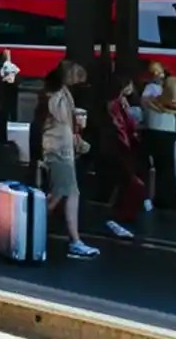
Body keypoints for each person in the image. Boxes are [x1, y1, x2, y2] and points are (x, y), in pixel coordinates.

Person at [41, 63, 100, 258]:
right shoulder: (57, 95)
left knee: (60, 193)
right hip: (58, 150)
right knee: (67, 192)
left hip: (59, 149)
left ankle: (33, 226)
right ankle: (74, 241)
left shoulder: (60, 93)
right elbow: (60, 120)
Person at [98, 74, 142, 239]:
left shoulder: (119, 104)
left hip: (121, 147)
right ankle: (115, 218)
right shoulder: (115, 105)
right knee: (125, 181)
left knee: (124, 182)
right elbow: (121, 127)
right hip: (119, 148)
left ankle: (116, 216)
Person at [142, 74, 176, 209]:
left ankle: (150, 198)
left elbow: (145, 103)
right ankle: (166, 199)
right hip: (169, 135)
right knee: (167, 169)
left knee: (153, 168)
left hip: (152, 133)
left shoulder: (150, 96)